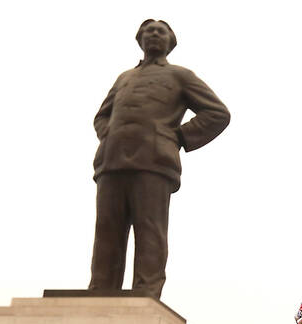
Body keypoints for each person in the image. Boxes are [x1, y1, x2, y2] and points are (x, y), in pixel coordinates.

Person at [88, 18, 230, 298]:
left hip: (154, 161)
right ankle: (100, 289)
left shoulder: (180, 76)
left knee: (149, 228)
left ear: (170, 42)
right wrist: (109, 135)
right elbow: (101, 115)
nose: (154, 34)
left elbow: (218, 113)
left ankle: (146, 291)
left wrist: (177, 137)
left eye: (161, 31)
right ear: (139, 40)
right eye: (148, 31)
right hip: (111, 160)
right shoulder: (124, 78)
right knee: (107, 229)